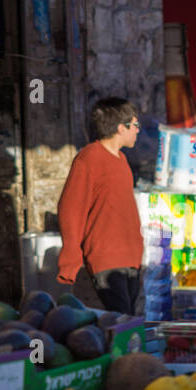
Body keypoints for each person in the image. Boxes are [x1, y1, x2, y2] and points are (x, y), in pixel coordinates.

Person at [57, 97, 145, 313]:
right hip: (106, 258)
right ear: (120, 127)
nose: (138, 131)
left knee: (129, 322)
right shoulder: (88, 159)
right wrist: (70, 257)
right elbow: (70, 208)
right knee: (120, 323)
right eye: (135, 125)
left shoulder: (122, 160)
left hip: (131, 258)